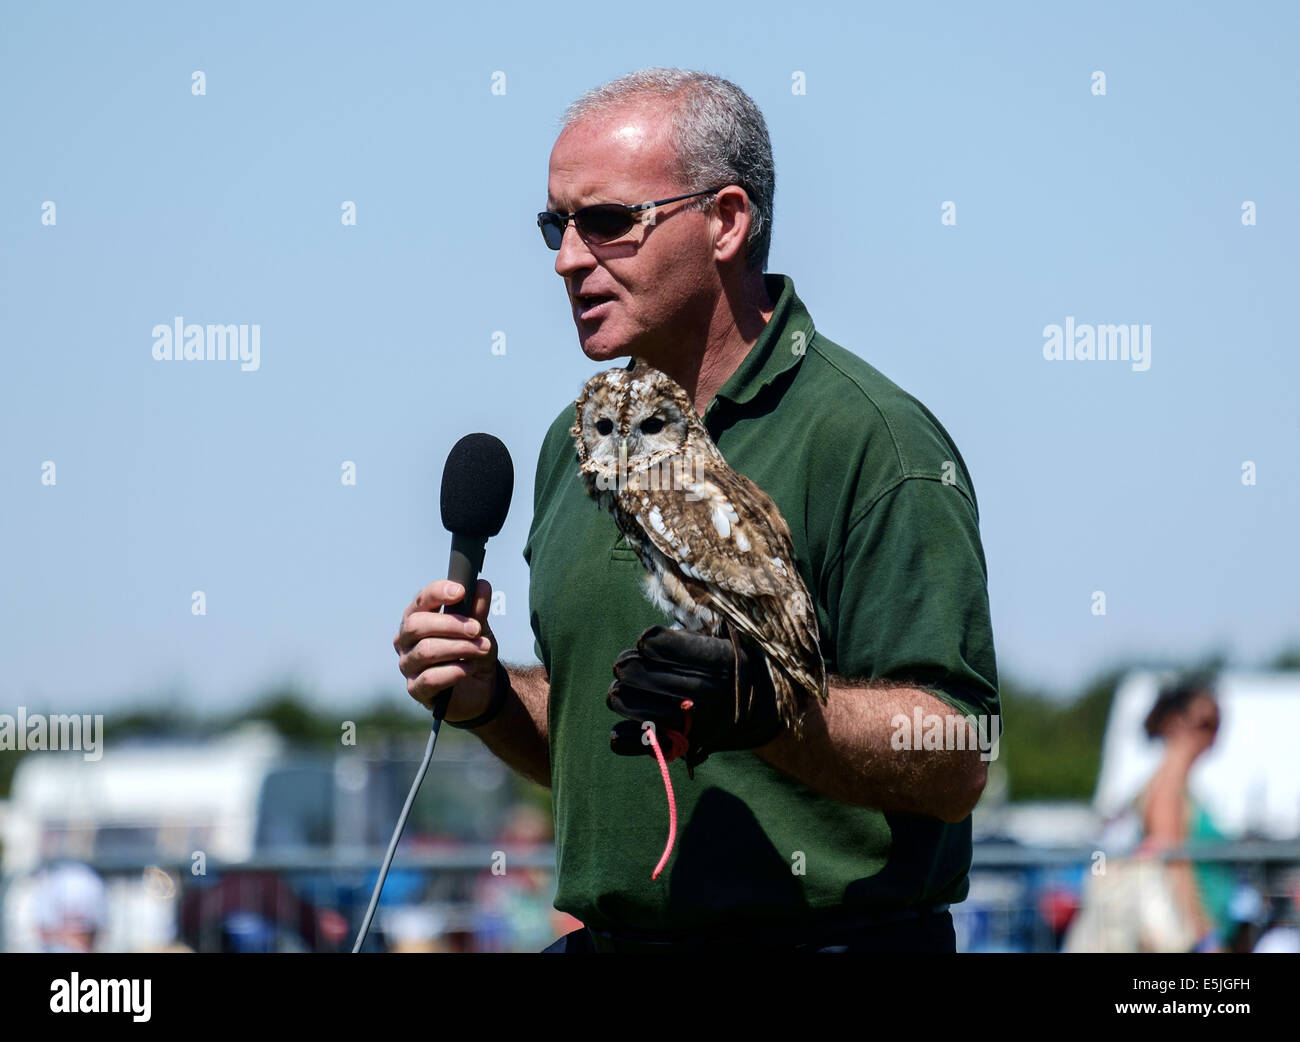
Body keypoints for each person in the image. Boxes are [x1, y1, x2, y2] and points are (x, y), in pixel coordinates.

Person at [394, 68, 999, 952]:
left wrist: (770, 709)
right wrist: (490, 697)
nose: (568, 258)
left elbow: (959, 755)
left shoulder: (871, 441)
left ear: (726, 220)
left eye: (606, 222)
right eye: (554, 225)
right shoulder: (584, 439)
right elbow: (600, 744)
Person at [1135, 672, 1235, 952]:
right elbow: (1175, 866)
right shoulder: (1168, 785)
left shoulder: (1180, 786)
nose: (1213, 735)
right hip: (1185, 938)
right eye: (1205, 724)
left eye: (1217, 724)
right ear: (1173, 722)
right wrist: (1206, 938)